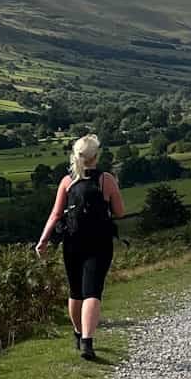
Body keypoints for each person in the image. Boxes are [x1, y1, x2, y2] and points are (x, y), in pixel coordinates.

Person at [36, 133, 125, 360]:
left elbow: (56, 214)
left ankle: (77, 333)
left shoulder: (67, 182)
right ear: (96, 156)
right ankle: (87, 341)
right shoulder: (106, 180)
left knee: (76, 292)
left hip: (72, 243)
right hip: (100, 243)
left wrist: (43, 240)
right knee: (92, 292)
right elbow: (119, 212)